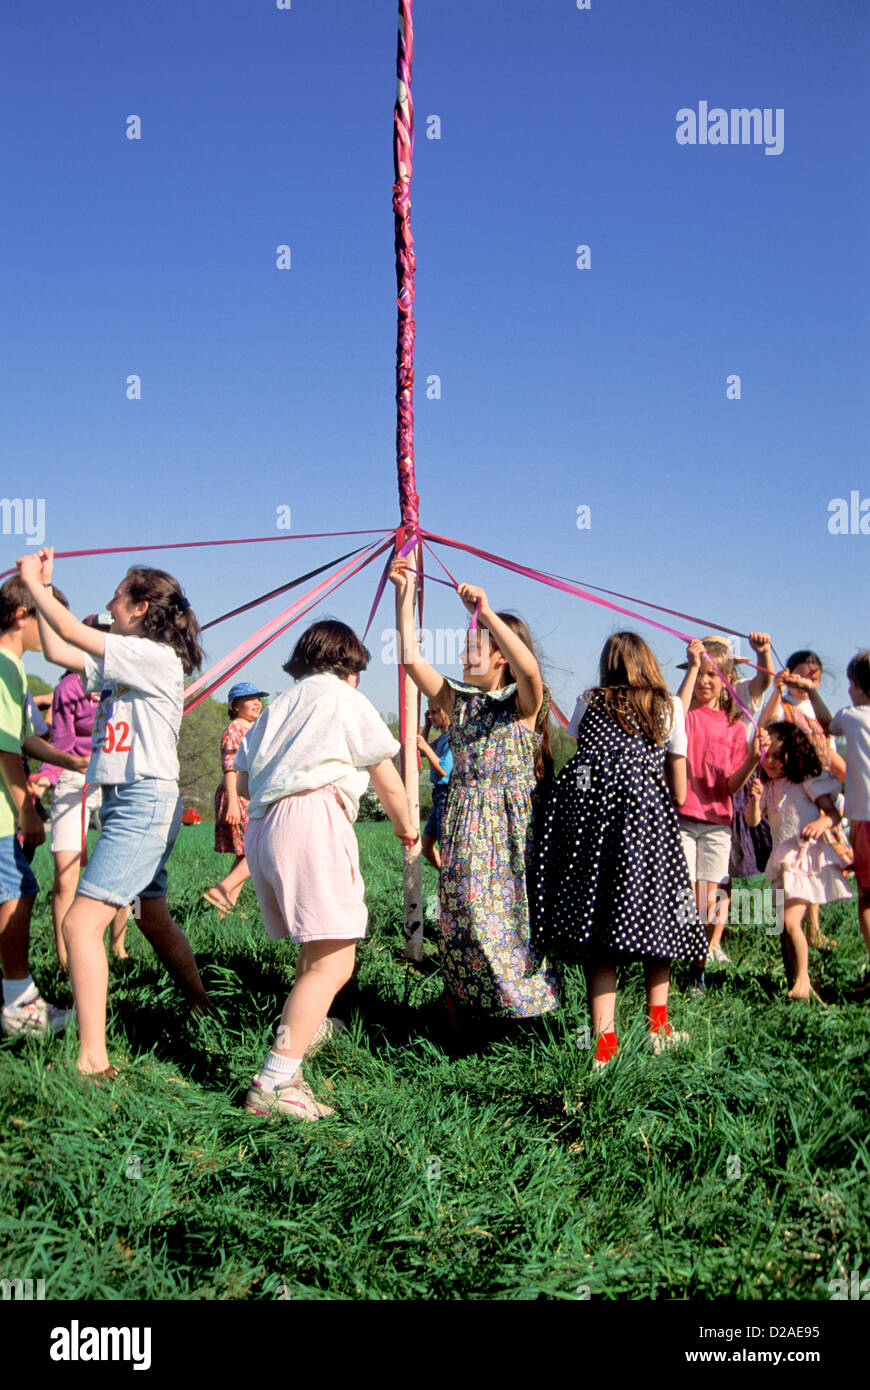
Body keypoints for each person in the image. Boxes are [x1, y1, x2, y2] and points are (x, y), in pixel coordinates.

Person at [17, 549, 210, 1079]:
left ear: (141, 606)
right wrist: (45, 587)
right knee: (152, 916)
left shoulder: (151, 656)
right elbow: (59, 649)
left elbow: (72, 634)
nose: (107, 605)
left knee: (81, 925)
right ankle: (201, 1004)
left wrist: (33, 584)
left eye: (117, 596)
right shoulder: (130, 656)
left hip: (143, 803)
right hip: (132, 801)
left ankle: (93, 1060)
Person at [235, 619, 416, 1122]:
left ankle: (291, 1070)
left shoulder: (274, 708)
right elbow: (387, 776)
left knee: (314, 950)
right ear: (348, 667)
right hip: (312, 820)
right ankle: (273, 1082)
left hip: (263, 827)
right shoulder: (344, 698)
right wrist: (406, 827)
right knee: (335, 963)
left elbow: (245, 781)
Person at [390, 558, 561, 1027]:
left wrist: (485, 614)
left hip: (510, 832)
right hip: (465, 827)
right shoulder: (457, 702)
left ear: (500, 656)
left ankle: (525, 1009)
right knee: (461, 914)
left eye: (475, 646)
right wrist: (404, 596)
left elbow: (529, 671)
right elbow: (409, 660)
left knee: (507, 917)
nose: (464, 653)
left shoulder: (523, 705)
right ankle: (463, 1016)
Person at [534, 632, 707, 1070]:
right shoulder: (669, 706)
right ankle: (658, 1028)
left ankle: (604, 1046)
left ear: (607, 664)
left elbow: (572, 756)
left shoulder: (589, 700)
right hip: (648, 826)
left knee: (601, 931)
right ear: (649, 662)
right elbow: (682, 792)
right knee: (659, 918)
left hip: (596, 830)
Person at [32, 615, 129, 969]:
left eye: (110, 635)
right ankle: (64, 956)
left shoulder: (128, 679)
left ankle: (119, 946)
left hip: (116, 781)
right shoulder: (68, 688)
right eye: (97, 635)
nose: (103, 641)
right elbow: (62, 741)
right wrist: (47, 775)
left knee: (122, 873)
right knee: (65, 874)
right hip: (75, 781)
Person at [0, 577, 72, 1037]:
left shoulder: (14, 668)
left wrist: (69, 759)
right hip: (3, 810)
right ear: (23, 616)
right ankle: (18, 1003)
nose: (58, 633)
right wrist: (28, 807)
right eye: (49, 620)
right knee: (18, 893)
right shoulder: (5, 667)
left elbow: (25, 736)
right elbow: (6, 748)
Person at [677, 638, 767, 983]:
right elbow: (676, 710)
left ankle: (696, 970)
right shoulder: (684, 714)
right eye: (699, 673)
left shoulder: (733, 725)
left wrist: (753, 761)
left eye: (713, 675)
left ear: (727, 679)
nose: (703, 681)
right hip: (682, 819)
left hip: (716, 824)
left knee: (708, 900)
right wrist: (694, 664)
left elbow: (731, 785)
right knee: (683, 894)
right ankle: (672, 960)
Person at [744, 722, 850, 998]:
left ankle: (804, 979)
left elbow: (834, 813)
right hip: (781, 861)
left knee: (791, 921)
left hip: (804, 859)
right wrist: (755, 800)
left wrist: (822, 823)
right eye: (767, 755)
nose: (771, 762)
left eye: (778, 756)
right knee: (783, 926)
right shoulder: (766, 786)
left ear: (794, 753)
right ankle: (794, 980)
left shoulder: (805, 781)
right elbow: (753, 821)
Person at [760, 652, 851, 951]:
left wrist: (850, 782)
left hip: (819, 785)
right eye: (803, 675)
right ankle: (800, 930)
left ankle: (813, 928)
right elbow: (767, 725)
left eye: (815, 677)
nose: (808, 681)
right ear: (790, 674)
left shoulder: (819, 711)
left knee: (815, 859)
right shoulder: (784, 707)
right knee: (799, 858)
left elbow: (830, 750)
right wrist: (776, 689)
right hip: (795, 785)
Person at [816, 651, 870, 966]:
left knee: (867, 897)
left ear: (858, 687)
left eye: (850, 683)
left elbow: (827, 724)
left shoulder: (851, 715)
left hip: (865, 819)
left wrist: (811, 692)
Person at [202, 681, 267, 917]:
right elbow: (230, 769)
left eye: (258, 698)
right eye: (250, 699)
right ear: (235, 705)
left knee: (245, 854)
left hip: (247, 795)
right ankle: (222, 890)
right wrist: (232, 802)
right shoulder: (234, 731)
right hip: (238, 796)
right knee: (257, 850)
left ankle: (223, 909)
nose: (256, 703)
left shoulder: (250, 729)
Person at [417, 700, 453, 871]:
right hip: (437, 796)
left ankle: (449, 881)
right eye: (429, 713)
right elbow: (420, 751)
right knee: (426, 845)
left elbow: (444, 770)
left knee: (446, 847)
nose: (431, 716)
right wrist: (426, 726)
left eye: (434, 712)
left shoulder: (452, 738)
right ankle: (445, 876)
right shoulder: (441, 739)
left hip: (447, 796)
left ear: (446, 713)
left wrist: (425, 746)